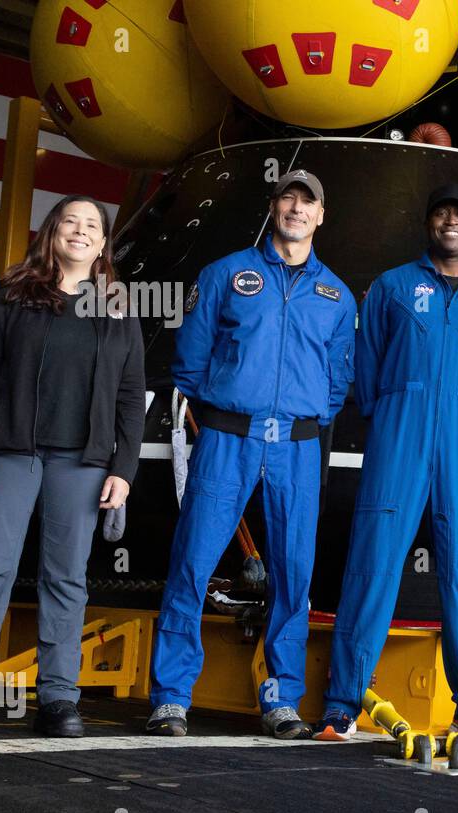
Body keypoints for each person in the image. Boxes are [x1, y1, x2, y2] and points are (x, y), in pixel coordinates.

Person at [145, 170, 356, 739]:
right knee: (192, 561)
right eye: (288, 197)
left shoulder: (337, 296)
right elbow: (189, 360)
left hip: (297, 447)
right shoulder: (225, 274)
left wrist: (296, 416)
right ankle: (170, 698)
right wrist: (230, 408)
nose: (296, 208)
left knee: (294, 572)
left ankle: (282, 698)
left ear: (320, 216)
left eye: (307, 201)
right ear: (273, 206)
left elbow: (337, 383)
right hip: (226, 438)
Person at [314, 184, 458, 741]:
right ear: (428, 223)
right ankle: (341, 705)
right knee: (372, 564)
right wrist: (391, 410)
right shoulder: (392, 287)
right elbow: (366, 363)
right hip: (398, 434)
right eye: (441, 213)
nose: (451, 221)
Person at [0, 196, 144, 739]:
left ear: (102, 245)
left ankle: (57, 701)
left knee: (66, 579)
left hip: (83, 464)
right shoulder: (10, 298)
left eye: (92, 225)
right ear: (52, 233)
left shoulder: (118, 310)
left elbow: (130, 396)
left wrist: (123, 469)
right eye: (70, 221)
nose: (79, 231)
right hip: (8, 456)